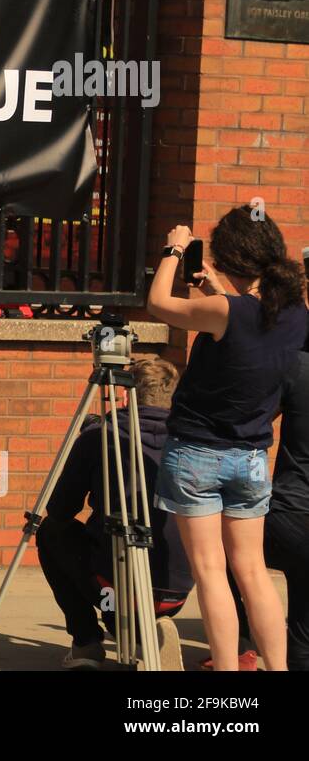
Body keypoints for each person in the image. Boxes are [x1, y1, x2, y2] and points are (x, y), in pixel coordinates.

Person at [145, 206, 308, 671]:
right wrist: (219, 292)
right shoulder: (295, 314)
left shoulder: (225, 312)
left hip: (197, 454)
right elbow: (253, 328)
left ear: (232, 257)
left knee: (212, 572)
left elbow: (159, 303)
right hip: (253, 457)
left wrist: (174, 249)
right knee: (254, 573)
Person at [36, 355, 194, 670]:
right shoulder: (192, 440)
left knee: (50, 533)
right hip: (176, 594)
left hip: (112, 588)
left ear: (124, 395)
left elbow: (60, 510)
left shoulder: (101, 435)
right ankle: (150, 629)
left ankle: (87, 643)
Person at [232, 338, 309, 670]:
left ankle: (241, 642)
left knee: (217, 545)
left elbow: (251, 417)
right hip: (295, 514)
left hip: (294, 512)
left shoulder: (298, 367)